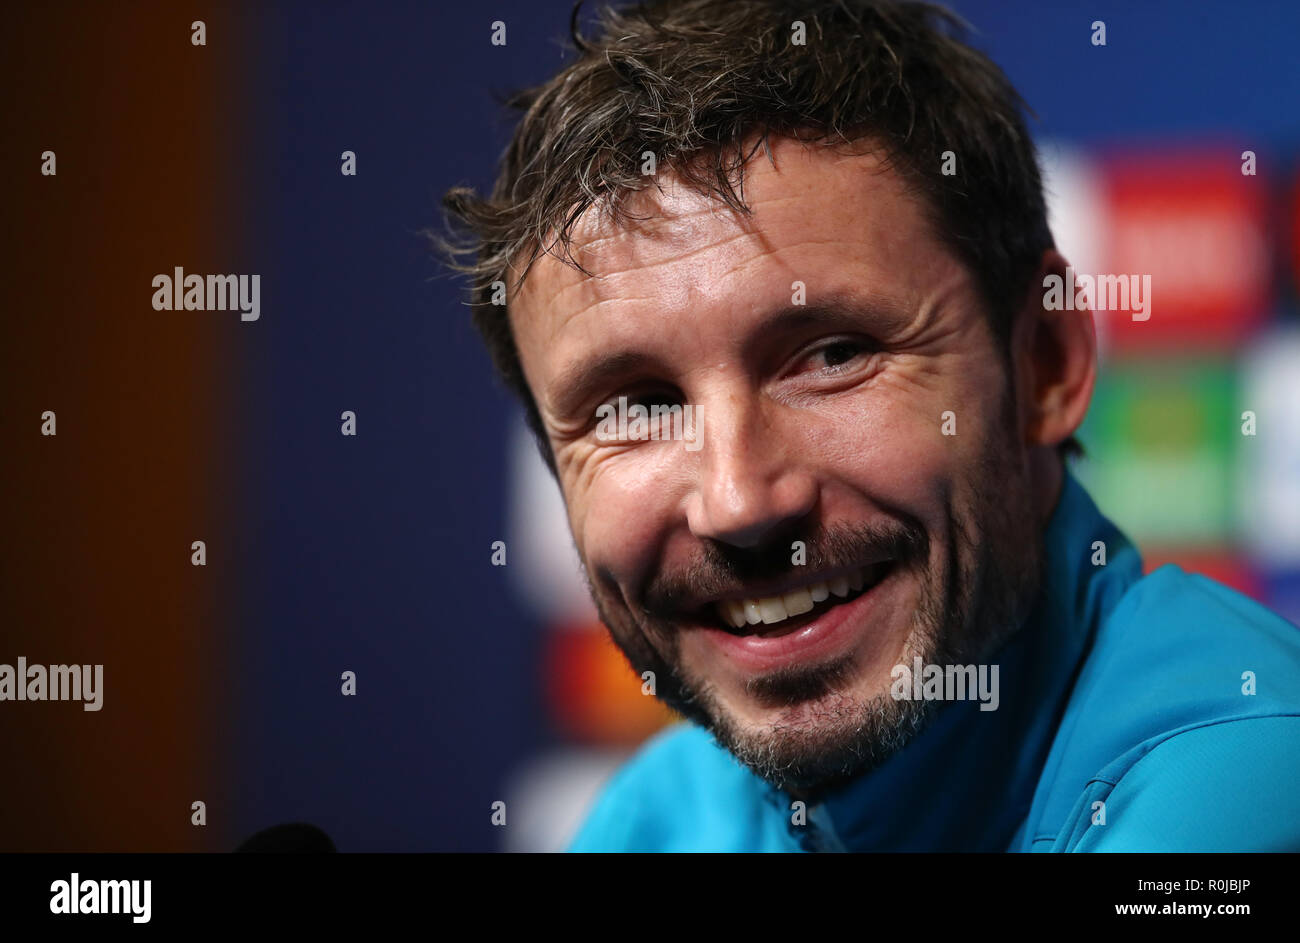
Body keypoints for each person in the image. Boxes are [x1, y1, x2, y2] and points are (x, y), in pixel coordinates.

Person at [434, 0, 1300, 851]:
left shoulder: (1240, 774)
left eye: (833, 354)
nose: (738, 503)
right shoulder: (658, 818)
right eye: (640, 406)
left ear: (1046, 363)